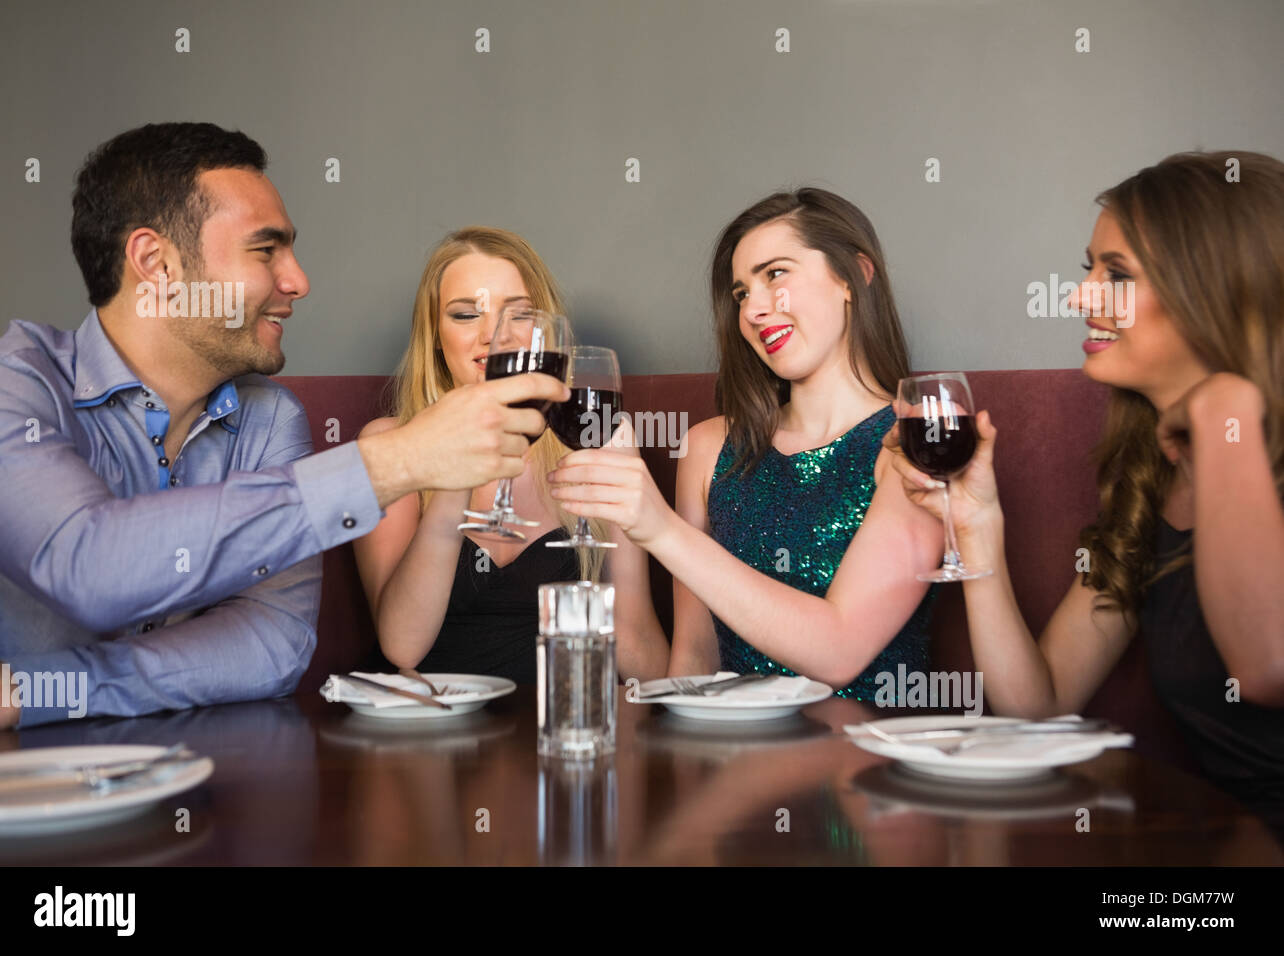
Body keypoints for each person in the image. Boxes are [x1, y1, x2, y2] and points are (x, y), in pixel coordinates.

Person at [0, 123, 566, 731]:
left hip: (188, 788)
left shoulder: (268, 420)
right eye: (266, 251)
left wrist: (36, 688)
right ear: (155, 264)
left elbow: (271, 645)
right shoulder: (9, 385)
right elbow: (89, 565)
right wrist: (400, 462)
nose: (298, 281)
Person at [885, 150, 1284, 831]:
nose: (1080, 296)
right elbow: (1038, 707)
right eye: (1089, 270)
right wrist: (978, 527)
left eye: (1117, 275)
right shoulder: (1153, 477)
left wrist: (1223, 406)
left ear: (1217, 288)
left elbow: (1268, 666)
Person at [547, 188, 943, 699]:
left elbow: (840, 651)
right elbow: (694, 661)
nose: (754, 309)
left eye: (775, 274)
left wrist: (660, 527)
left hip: (865, 761)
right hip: (734, 761)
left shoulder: (916, 441)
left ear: (853, 276)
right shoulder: (709, 447)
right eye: (740, 294)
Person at [353, 227, 668, 684]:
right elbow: (403, 647)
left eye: (517, 315)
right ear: (435, 336)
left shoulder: (597, 437)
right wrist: (454, 466)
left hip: (566, 730)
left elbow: (634, 639)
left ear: (546, 334)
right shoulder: (391, 444)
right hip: (442, 738)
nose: (493, 337)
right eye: (464, 315)